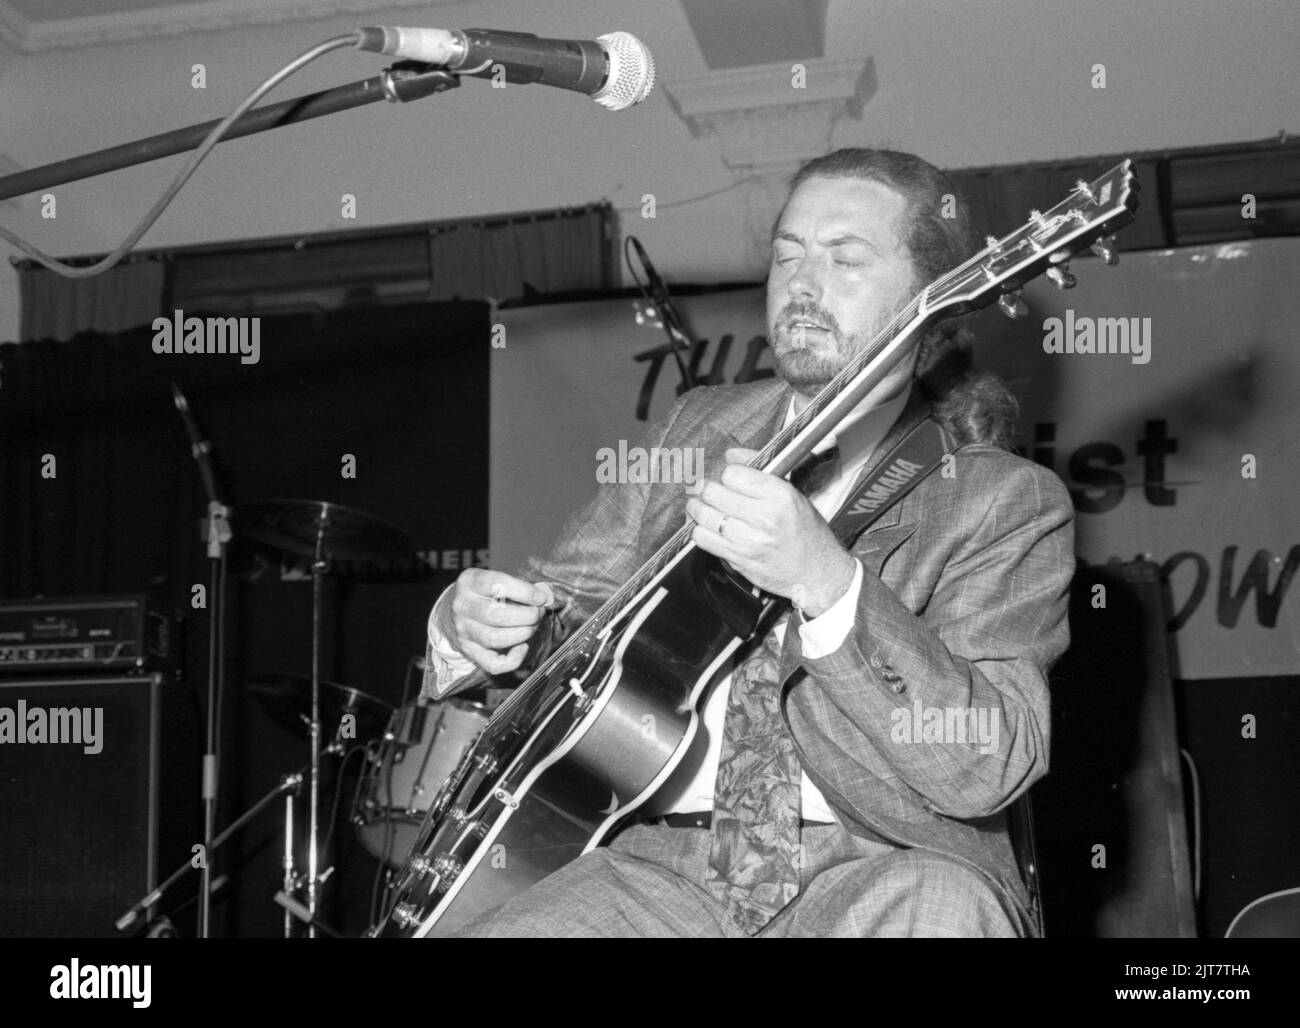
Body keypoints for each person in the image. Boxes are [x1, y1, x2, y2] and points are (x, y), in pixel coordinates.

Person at [420, 148, 1075, 937]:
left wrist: (827, 582)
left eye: (846, 258)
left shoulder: (1003, 499)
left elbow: (988, 761)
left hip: (879, 867)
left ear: (932, 297)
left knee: (942, 913)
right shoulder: (696, 426)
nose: (804, 283)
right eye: (787, 254)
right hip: (657, 872)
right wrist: (473, 633)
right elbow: (568, 618)